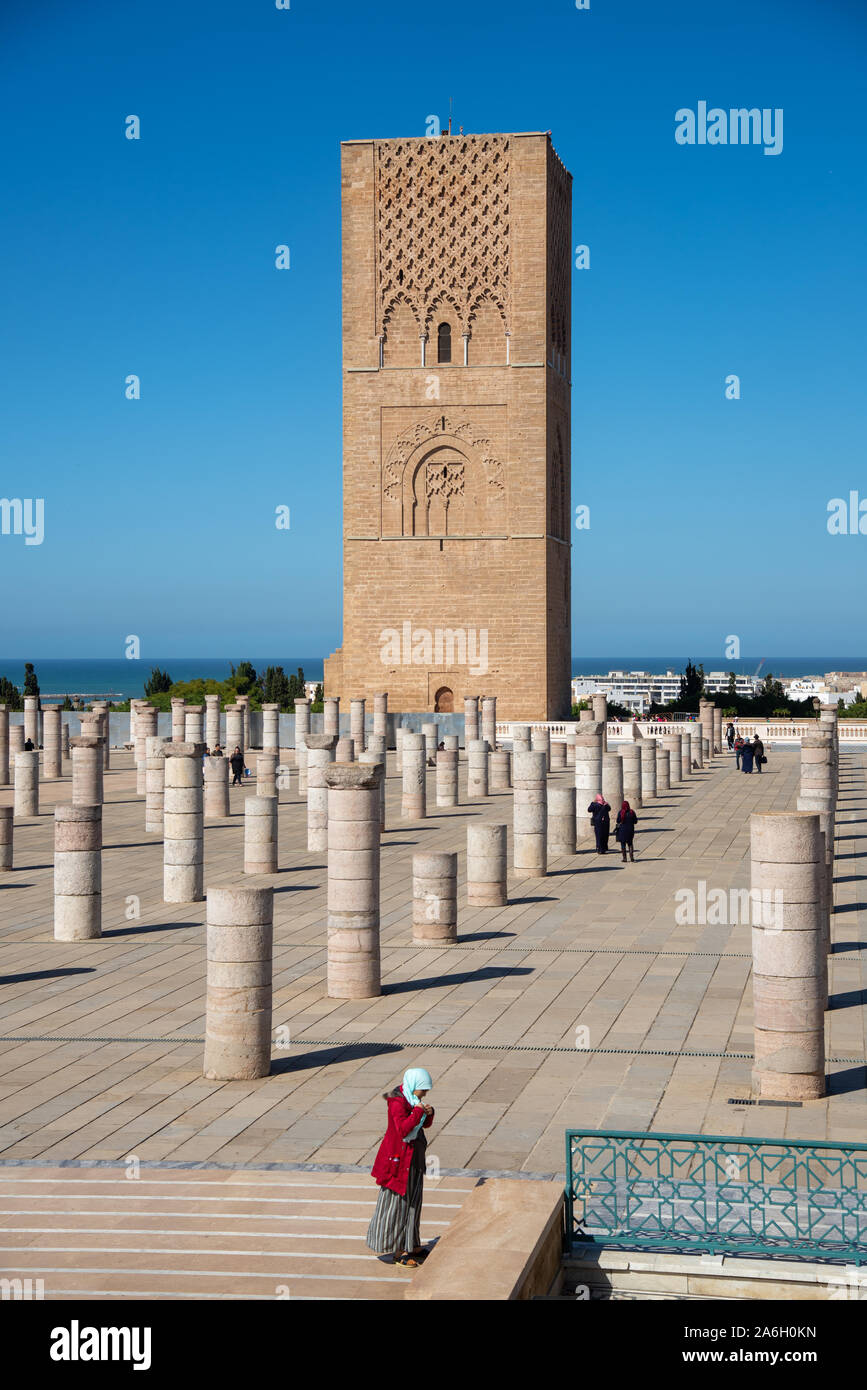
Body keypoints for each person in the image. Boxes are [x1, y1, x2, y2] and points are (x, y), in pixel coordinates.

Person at [367, 1067, 434, 1268]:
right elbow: (403, 1129)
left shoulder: (412, 1101)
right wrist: (418, 1111)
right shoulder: (397, 1103)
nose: (424, 1094)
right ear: (413, 1086)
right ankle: (399, 1251)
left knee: (413, 1202)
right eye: (423, 1090)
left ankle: (412, 1244)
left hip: (412, 1161)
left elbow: (423, 1125)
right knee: (398, 1207)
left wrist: (428, 1113)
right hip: (397, 1164)